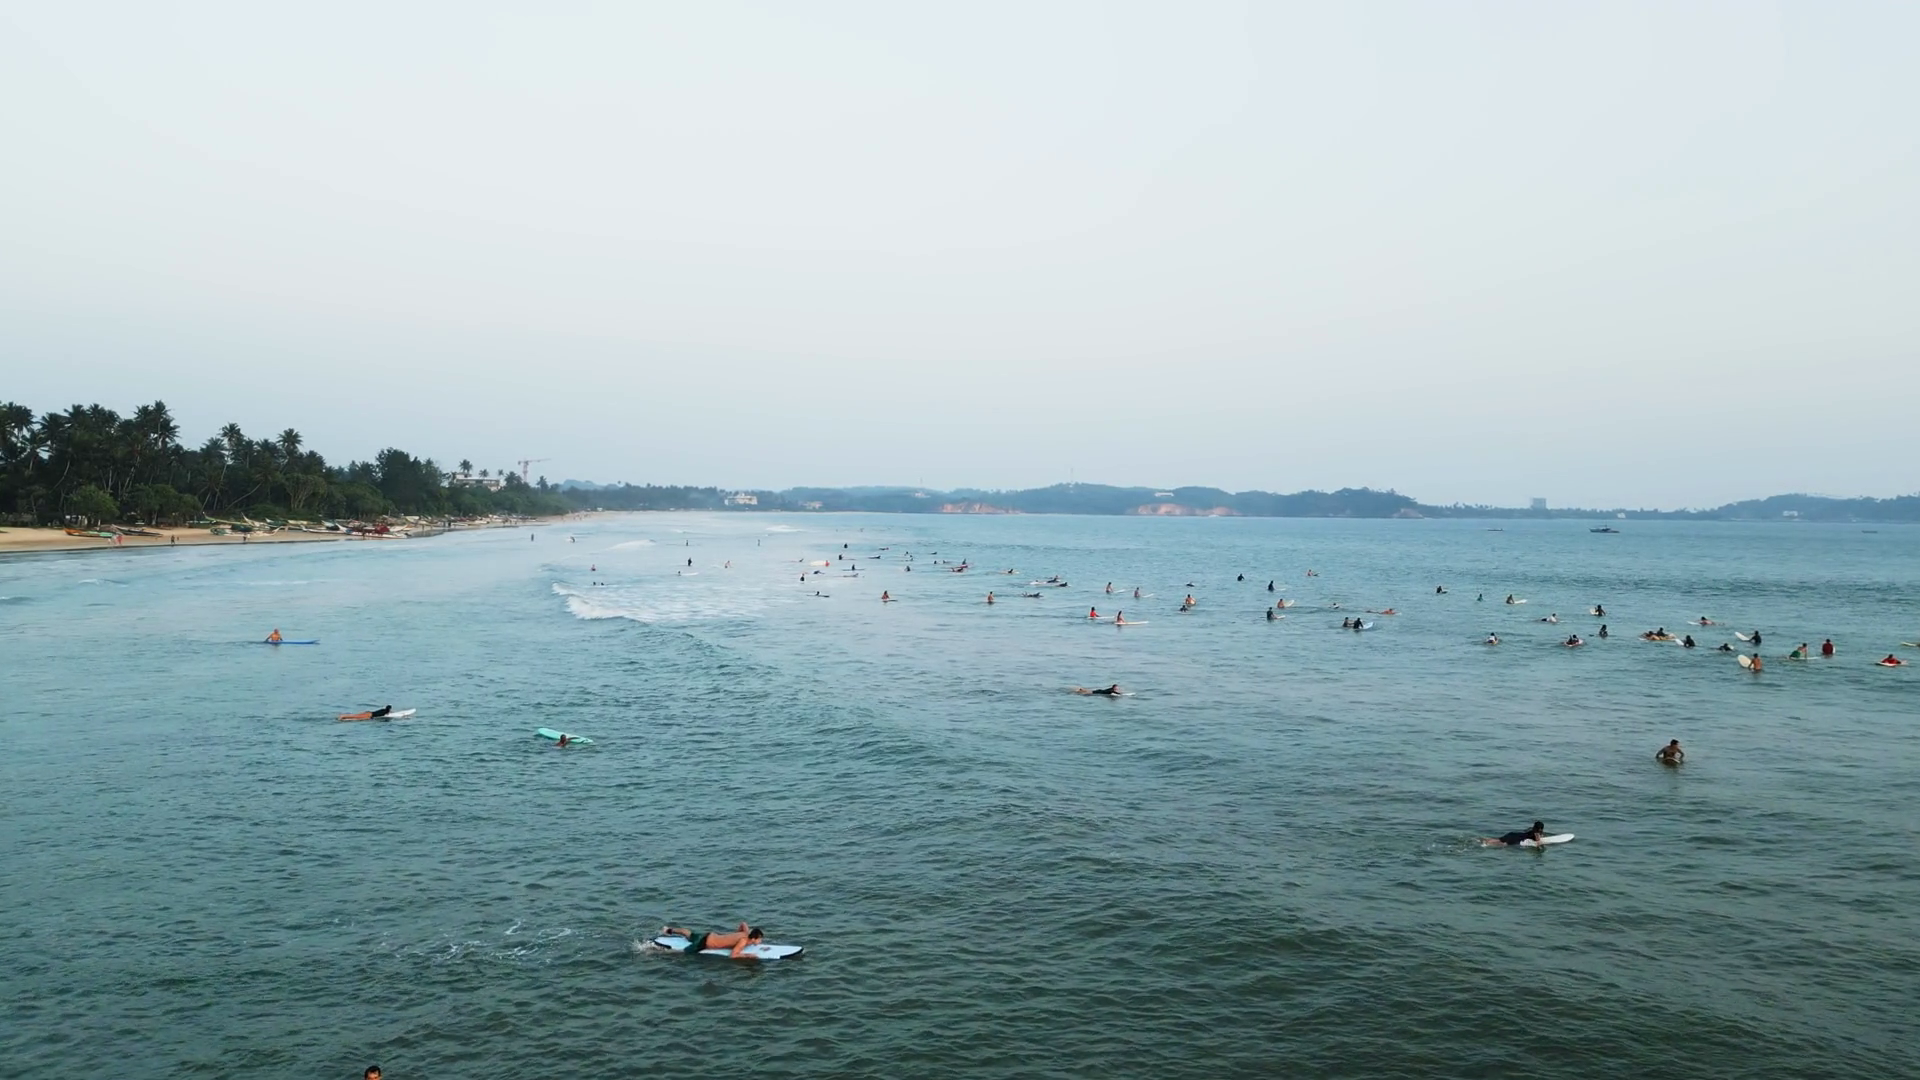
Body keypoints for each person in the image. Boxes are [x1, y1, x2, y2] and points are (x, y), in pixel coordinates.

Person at [661, 923, 765, 958]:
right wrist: (748, 955)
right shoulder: (743, 941)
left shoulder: (745, 933)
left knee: (688, 933)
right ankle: (655, 950)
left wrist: (733, 936)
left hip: (708, 935)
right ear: (754, 938)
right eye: (760, 940)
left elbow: (743, 923)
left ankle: (668, 930)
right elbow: (733, 955)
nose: (761, 942)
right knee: (682, 952)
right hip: (704, 943)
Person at [1483, 821, 1547, 847]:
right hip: (1516, 838)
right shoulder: (1536, 833)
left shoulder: (1531, 829)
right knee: (1504, 844)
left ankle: (1484, 840)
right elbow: (1538, 842)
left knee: (1499, 839)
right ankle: (1487, 844)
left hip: (1513, 834)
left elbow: (1526, 831)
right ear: (1540, 829)